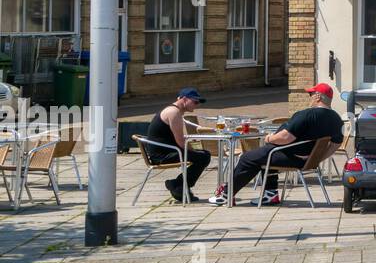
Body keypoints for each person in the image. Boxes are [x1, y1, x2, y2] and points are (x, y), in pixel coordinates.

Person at [213, 83, 343, 206]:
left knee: (247, 158)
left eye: (311, 95)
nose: (310, 98)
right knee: (264, 155)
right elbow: (335, 145)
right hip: (306, 160)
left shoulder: (307, 114)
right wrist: (316, 159)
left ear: (318, 96)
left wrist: (270, 138)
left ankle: (226, 194)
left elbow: (285, 137)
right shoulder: (336, 119)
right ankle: (270, 194)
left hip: (291, 156)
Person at [142, 87, 210, 202]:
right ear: (184, 99)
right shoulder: (173, 112)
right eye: (195, 102)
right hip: (162, 156)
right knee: (204, 157)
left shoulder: (172, 110)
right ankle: (178, 185)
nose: (197, 105)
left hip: (165, 151)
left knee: (202, 155)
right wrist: (194, 151)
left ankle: (179, 186)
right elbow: (181, 141)